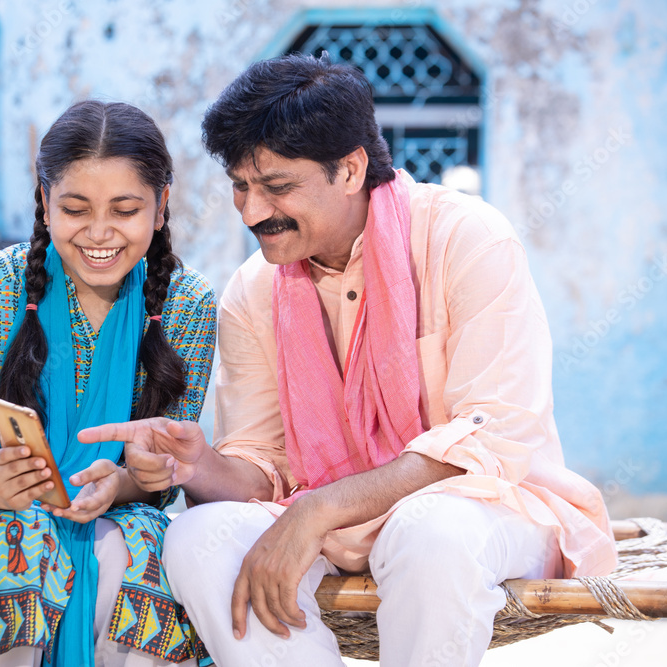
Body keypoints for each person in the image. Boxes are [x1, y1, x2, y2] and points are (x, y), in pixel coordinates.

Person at [79, 54, 618, 666]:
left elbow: (491, 440)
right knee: (199, 537)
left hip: (492, 511)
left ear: (351, 169)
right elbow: (264, 470)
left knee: (428, 530)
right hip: (330, 525)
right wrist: (197, 463)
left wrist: (320, 507)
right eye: (240, 186)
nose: (253, 212)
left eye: (277, 187)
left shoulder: (465, 240)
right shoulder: (255, 290)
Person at [0, 100, 217, 667]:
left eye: (125, 210)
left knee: (145, 564)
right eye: (75, 209)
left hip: (121, 524)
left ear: (161, 207)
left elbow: (164, 479)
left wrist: (121, 482)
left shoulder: (187, 307)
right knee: (19, 546)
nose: (99, 234)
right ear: (45, 203)